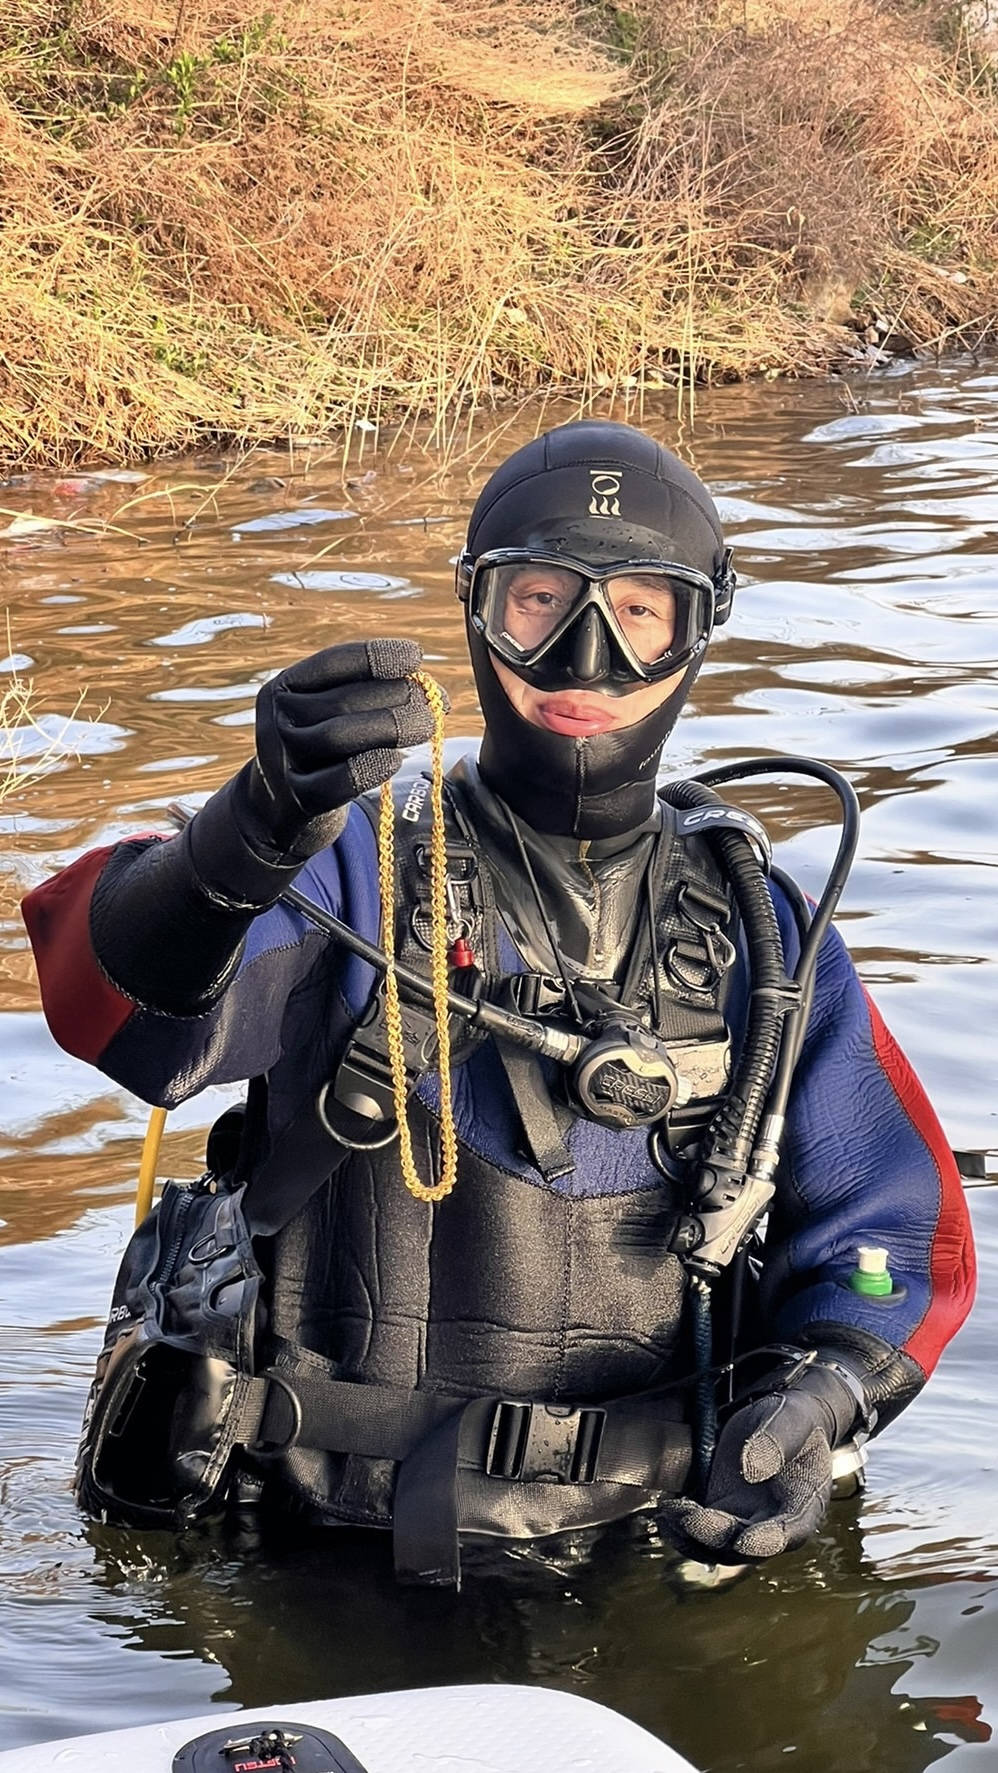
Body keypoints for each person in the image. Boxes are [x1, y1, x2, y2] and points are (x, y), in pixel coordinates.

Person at [22, 420, 975, 1588]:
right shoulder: (351, 860)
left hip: (648, 1558)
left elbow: (891, 1234)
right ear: (474, 608)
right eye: (539, 601)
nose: (585, 660)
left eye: (637, 612)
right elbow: (127, 1020)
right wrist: (248, 828)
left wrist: (821, 1391)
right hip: (319, 1554)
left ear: (699, 627)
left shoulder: (761, 927)